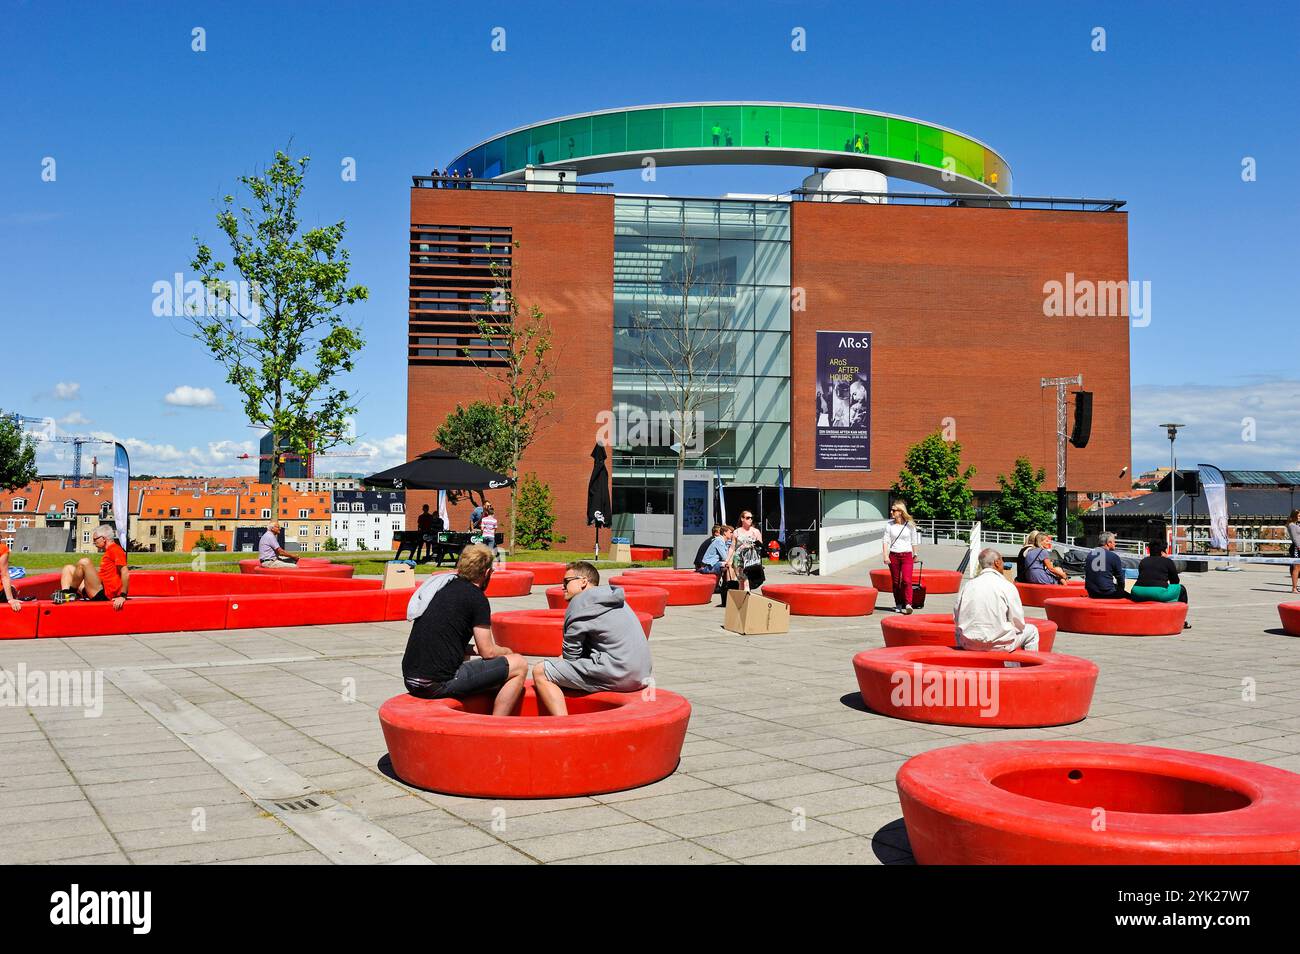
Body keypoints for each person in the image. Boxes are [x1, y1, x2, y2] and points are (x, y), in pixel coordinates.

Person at [400, 544, 527, 714]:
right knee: (519, 665)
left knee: (471, 656)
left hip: (411, 678)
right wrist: (508, 651)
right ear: (487, 573)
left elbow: (447, 641)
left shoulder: (441, 589)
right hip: (436, 683)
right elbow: (488, 651)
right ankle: (496, 724)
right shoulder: (476, 598)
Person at [532, 562, 654, 717]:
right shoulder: (615, 600)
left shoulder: (580, 602)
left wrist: (561, 662)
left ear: (583, 582)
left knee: (541, 671)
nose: (562, 587)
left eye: (566, 582)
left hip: (620, 674)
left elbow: (571, 655)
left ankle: (563, 724)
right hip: (642, 674)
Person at [954, 549, 1040, 651]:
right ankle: (1028, 665)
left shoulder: (967, 585)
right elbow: (1018, 623)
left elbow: (957, 617)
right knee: (1032, 631)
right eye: (1002, 561)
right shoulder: (1007, 586)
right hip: (998, 645)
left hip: (968, 643)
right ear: (997, 563)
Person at [56, 524, 128, 610]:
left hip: (104, 594)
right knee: (68, 568)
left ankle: (71, 592)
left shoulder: (116, 549)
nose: (94, 543)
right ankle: (66, 595)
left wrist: (123, 596)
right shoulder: (109, 551)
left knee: (84, 562)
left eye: (95, 540)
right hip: (96, 589)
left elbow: (125, 572)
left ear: (103, 539)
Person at [1131, 539, 1191, 627]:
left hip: (1137, 592)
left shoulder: (1143, 561)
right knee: (1181, 589)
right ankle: (1181, 620)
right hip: (1158, 593)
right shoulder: (1167, 561)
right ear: (1163, 551)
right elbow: (1175, 581)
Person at [883, 501, 920, 613]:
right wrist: (885, 556)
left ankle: (908, 604)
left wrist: (915, 554)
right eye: (891, 510)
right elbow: (886, 541)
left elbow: (914, 541)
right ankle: (898, 604)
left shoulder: (910, 525)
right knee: (895, 582)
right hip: (893, 555)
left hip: (907, 555)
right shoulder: (889, 525)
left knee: (907, 580)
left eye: (894, 510)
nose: (891, 512)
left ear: (900, 512)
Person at [1084, 531, 1129, 599]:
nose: (1115, 544)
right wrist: (1121, 590)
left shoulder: (1089, 555)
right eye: (1114, 541)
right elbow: (1120, 579)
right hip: (1107, 593)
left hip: (1091, 592)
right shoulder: (1113, 556)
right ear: (1109, 543)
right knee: (1131, 597)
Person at [731, 511, 764, 590]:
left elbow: (760, 546)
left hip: (750, 560)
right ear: (742, 519)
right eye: (748, 518)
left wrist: (753, 545)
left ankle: (746, 600)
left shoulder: (755, 531)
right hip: (738, 560)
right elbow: (732, 548)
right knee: (741, 582)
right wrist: (728, 560)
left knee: (746, 582)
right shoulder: (736, 532)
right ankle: (741, 601)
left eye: (751, 518)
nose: (750, 520)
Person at [0, 539, 23, 613]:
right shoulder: (2, 548)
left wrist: (10, 599)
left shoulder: (2, 548)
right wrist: (10, 599)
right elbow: (4, 574)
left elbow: (4, 575)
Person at [1287, 509, 1300, 593]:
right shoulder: (1291, 525)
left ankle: (1296, 587)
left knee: (1298, 568)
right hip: (1296, 548)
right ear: (1294, 516)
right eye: (1298, 516)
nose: (1299, 517)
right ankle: (1294, 588)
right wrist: (1299, 547)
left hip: (1298, 547)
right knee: (1296, 568)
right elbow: (1295, 539)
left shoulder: (1296, 525)